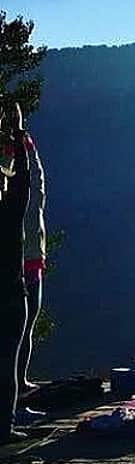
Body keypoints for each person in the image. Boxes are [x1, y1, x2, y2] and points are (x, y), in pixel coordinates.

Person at [1, 104, 31, 443]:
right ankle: (5, 426)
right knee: (6, 365)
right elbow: (24, 179)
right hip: (11, 295)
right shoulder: (11, 212)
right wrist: (18, 133)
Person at [17, 132, 46, 396]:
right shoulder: (32, 203)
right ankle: (18, 382)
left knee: (24, 328)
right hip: (28, 266)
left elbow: (36, 178)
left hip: (30, 264)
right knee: (23, 329)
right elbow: (37, 178)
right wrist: (28, 145)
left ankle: (20, 381)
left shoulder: (28, 201)